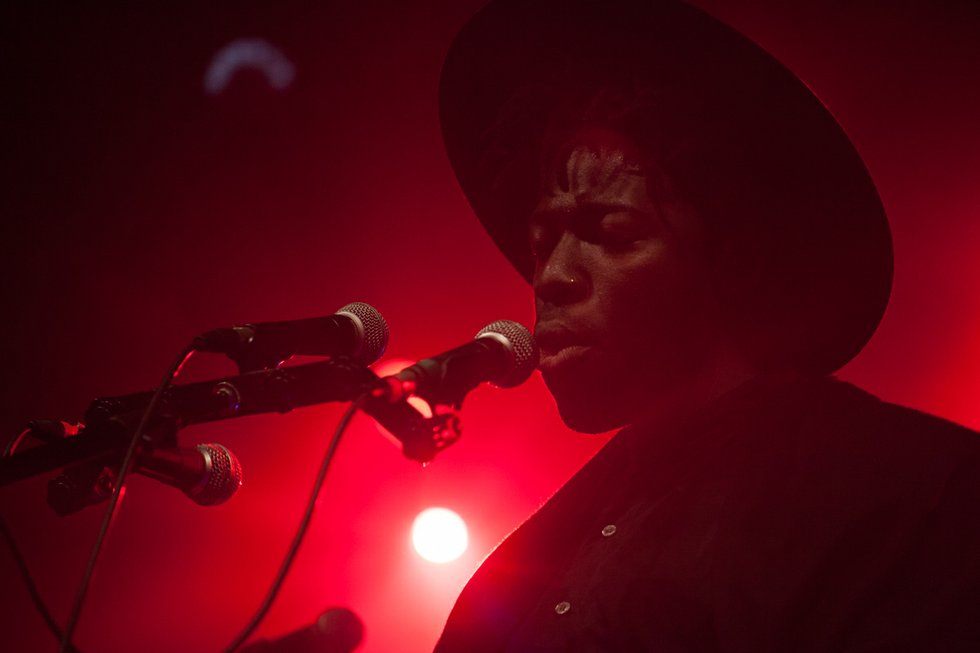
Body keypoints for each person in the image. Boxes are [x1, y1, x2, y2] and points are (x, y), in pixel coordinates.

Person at [432, 0, 980, 651]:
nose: (551, 276)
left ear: (728, 257)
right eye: (543, 240)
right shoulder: (519, 568)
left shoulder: (918, 496)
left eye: (611, 233)